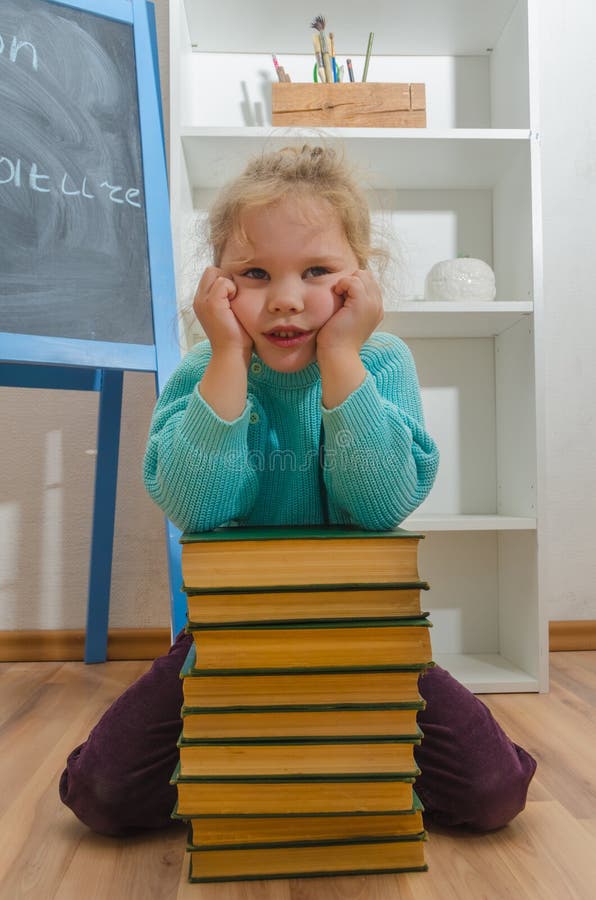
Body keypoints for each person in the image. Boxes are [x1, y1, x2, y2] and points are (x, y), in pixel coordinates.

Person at [60, 145, 536, 836]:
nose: (285, 298)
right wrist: (228, 357)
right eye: (255, 274)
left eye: (316, 271)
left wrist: (340, 355)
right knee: (100, 795)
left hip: (368, 632)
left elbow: (380, 504)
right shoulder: (204, 368)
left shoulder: (380, 361)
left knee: (494, 794)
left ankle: (346, 759)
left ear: (360, 278)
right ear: (219, 286)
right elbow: (197, 506)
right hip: (230, 634)